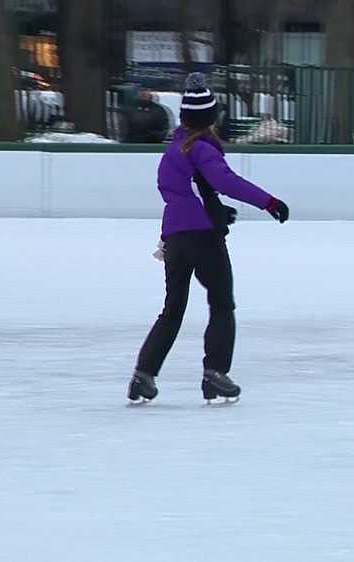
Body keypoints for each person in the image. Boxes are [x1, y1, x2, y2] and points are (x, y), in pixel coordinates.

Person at [128, 73, 291, 405]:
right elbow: (226, 181)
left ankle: (142, 375)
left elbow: (181, 194)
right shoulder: (202, 149)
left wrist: (210, 213)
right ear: (211, 118)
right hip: (203, 240)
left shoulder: (173, 149)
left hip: (176, 239)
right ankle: (215, 373)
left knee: (171, 310)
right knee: (221, 304)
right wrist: (269, 202)